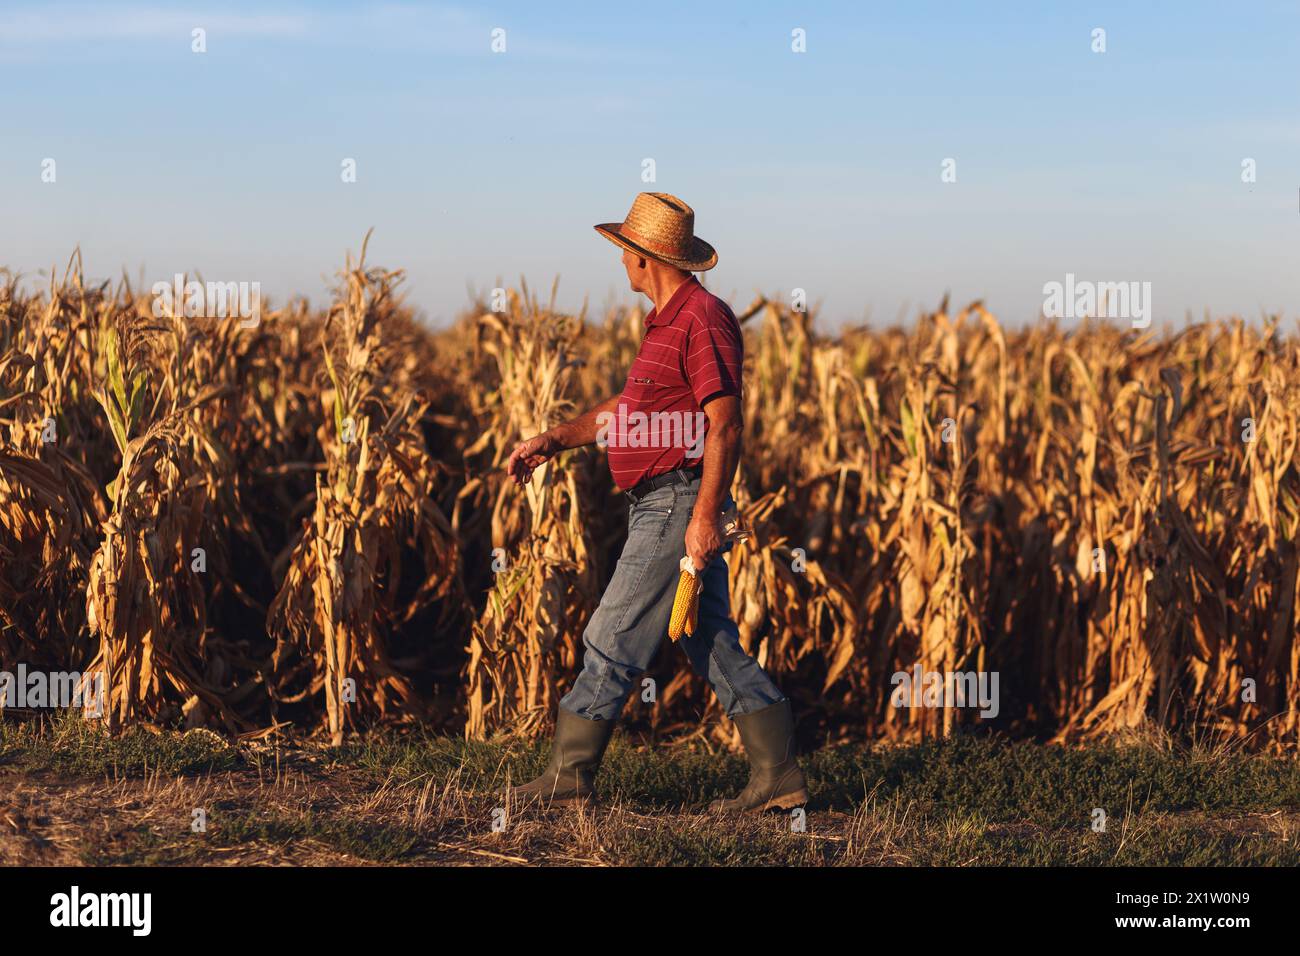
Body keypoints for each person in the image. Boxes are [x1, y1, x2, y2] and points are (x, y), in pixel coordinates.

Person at [503, 192, 807, 813]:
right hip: (664, 503)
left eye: (624, 253)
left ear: (646, 258)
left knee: (611, 634)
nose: (620, 264)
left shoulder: (702, 318)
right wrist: (555, 439)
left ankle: (569, 774)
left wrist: (702, 518)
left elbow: (725, 424)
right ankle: (778, 775)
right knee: (709, 637)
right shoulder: (666, 324)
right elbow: (626, 413)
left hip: (676, 504)